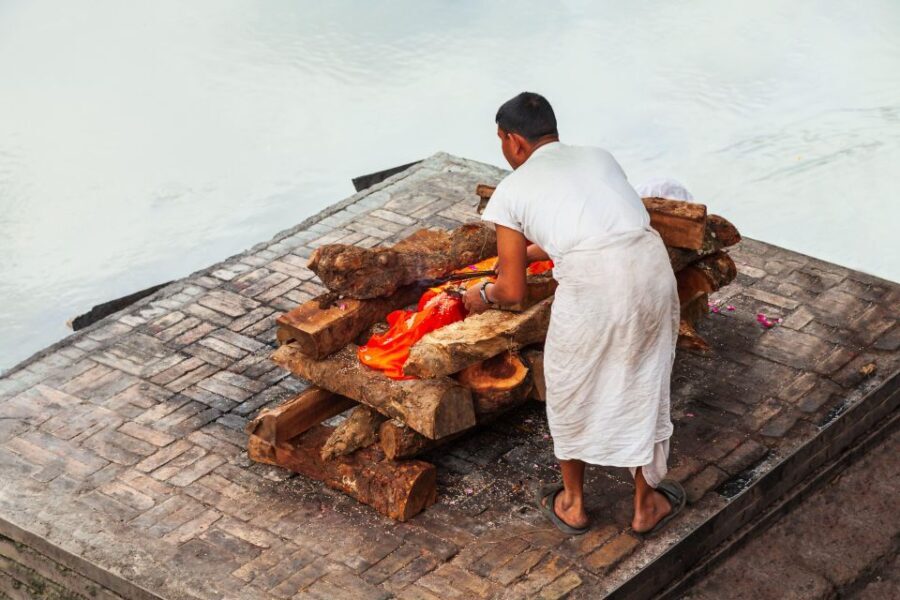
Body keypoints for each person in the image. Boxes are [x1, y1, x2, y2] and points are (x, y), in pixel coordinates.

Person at [463, 92, 686, 536]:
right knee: (644, 379)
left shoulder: (511, 190)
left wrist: (481, 295)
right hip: (650, 269)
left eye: (501, 141)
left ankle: (573, 503)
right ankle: (646, 506)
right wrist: (527, 254)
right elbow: (592, 224)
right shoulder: (598, 158)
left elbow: (511, 291)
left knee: (568, 383)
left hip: (594, 285)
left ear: (514, 142)